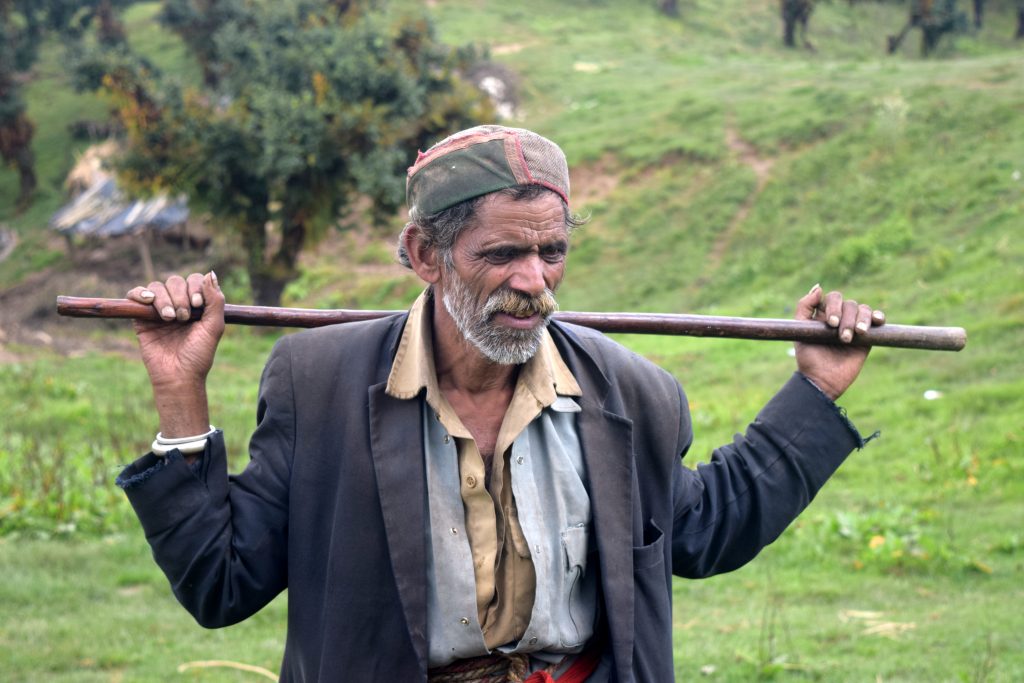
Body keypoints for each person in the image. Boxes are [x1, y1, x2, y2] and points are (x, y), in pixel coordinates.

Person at [117, 125, 884, 682]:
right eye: (503, 254)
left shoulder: (629, 393)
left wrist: (816, 386)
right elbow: (222, 581)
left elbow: (705, 529)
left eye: (551, 252)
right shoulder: (318, 384)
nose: (535, 281)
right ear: (424, 254)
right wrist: (179, 387)